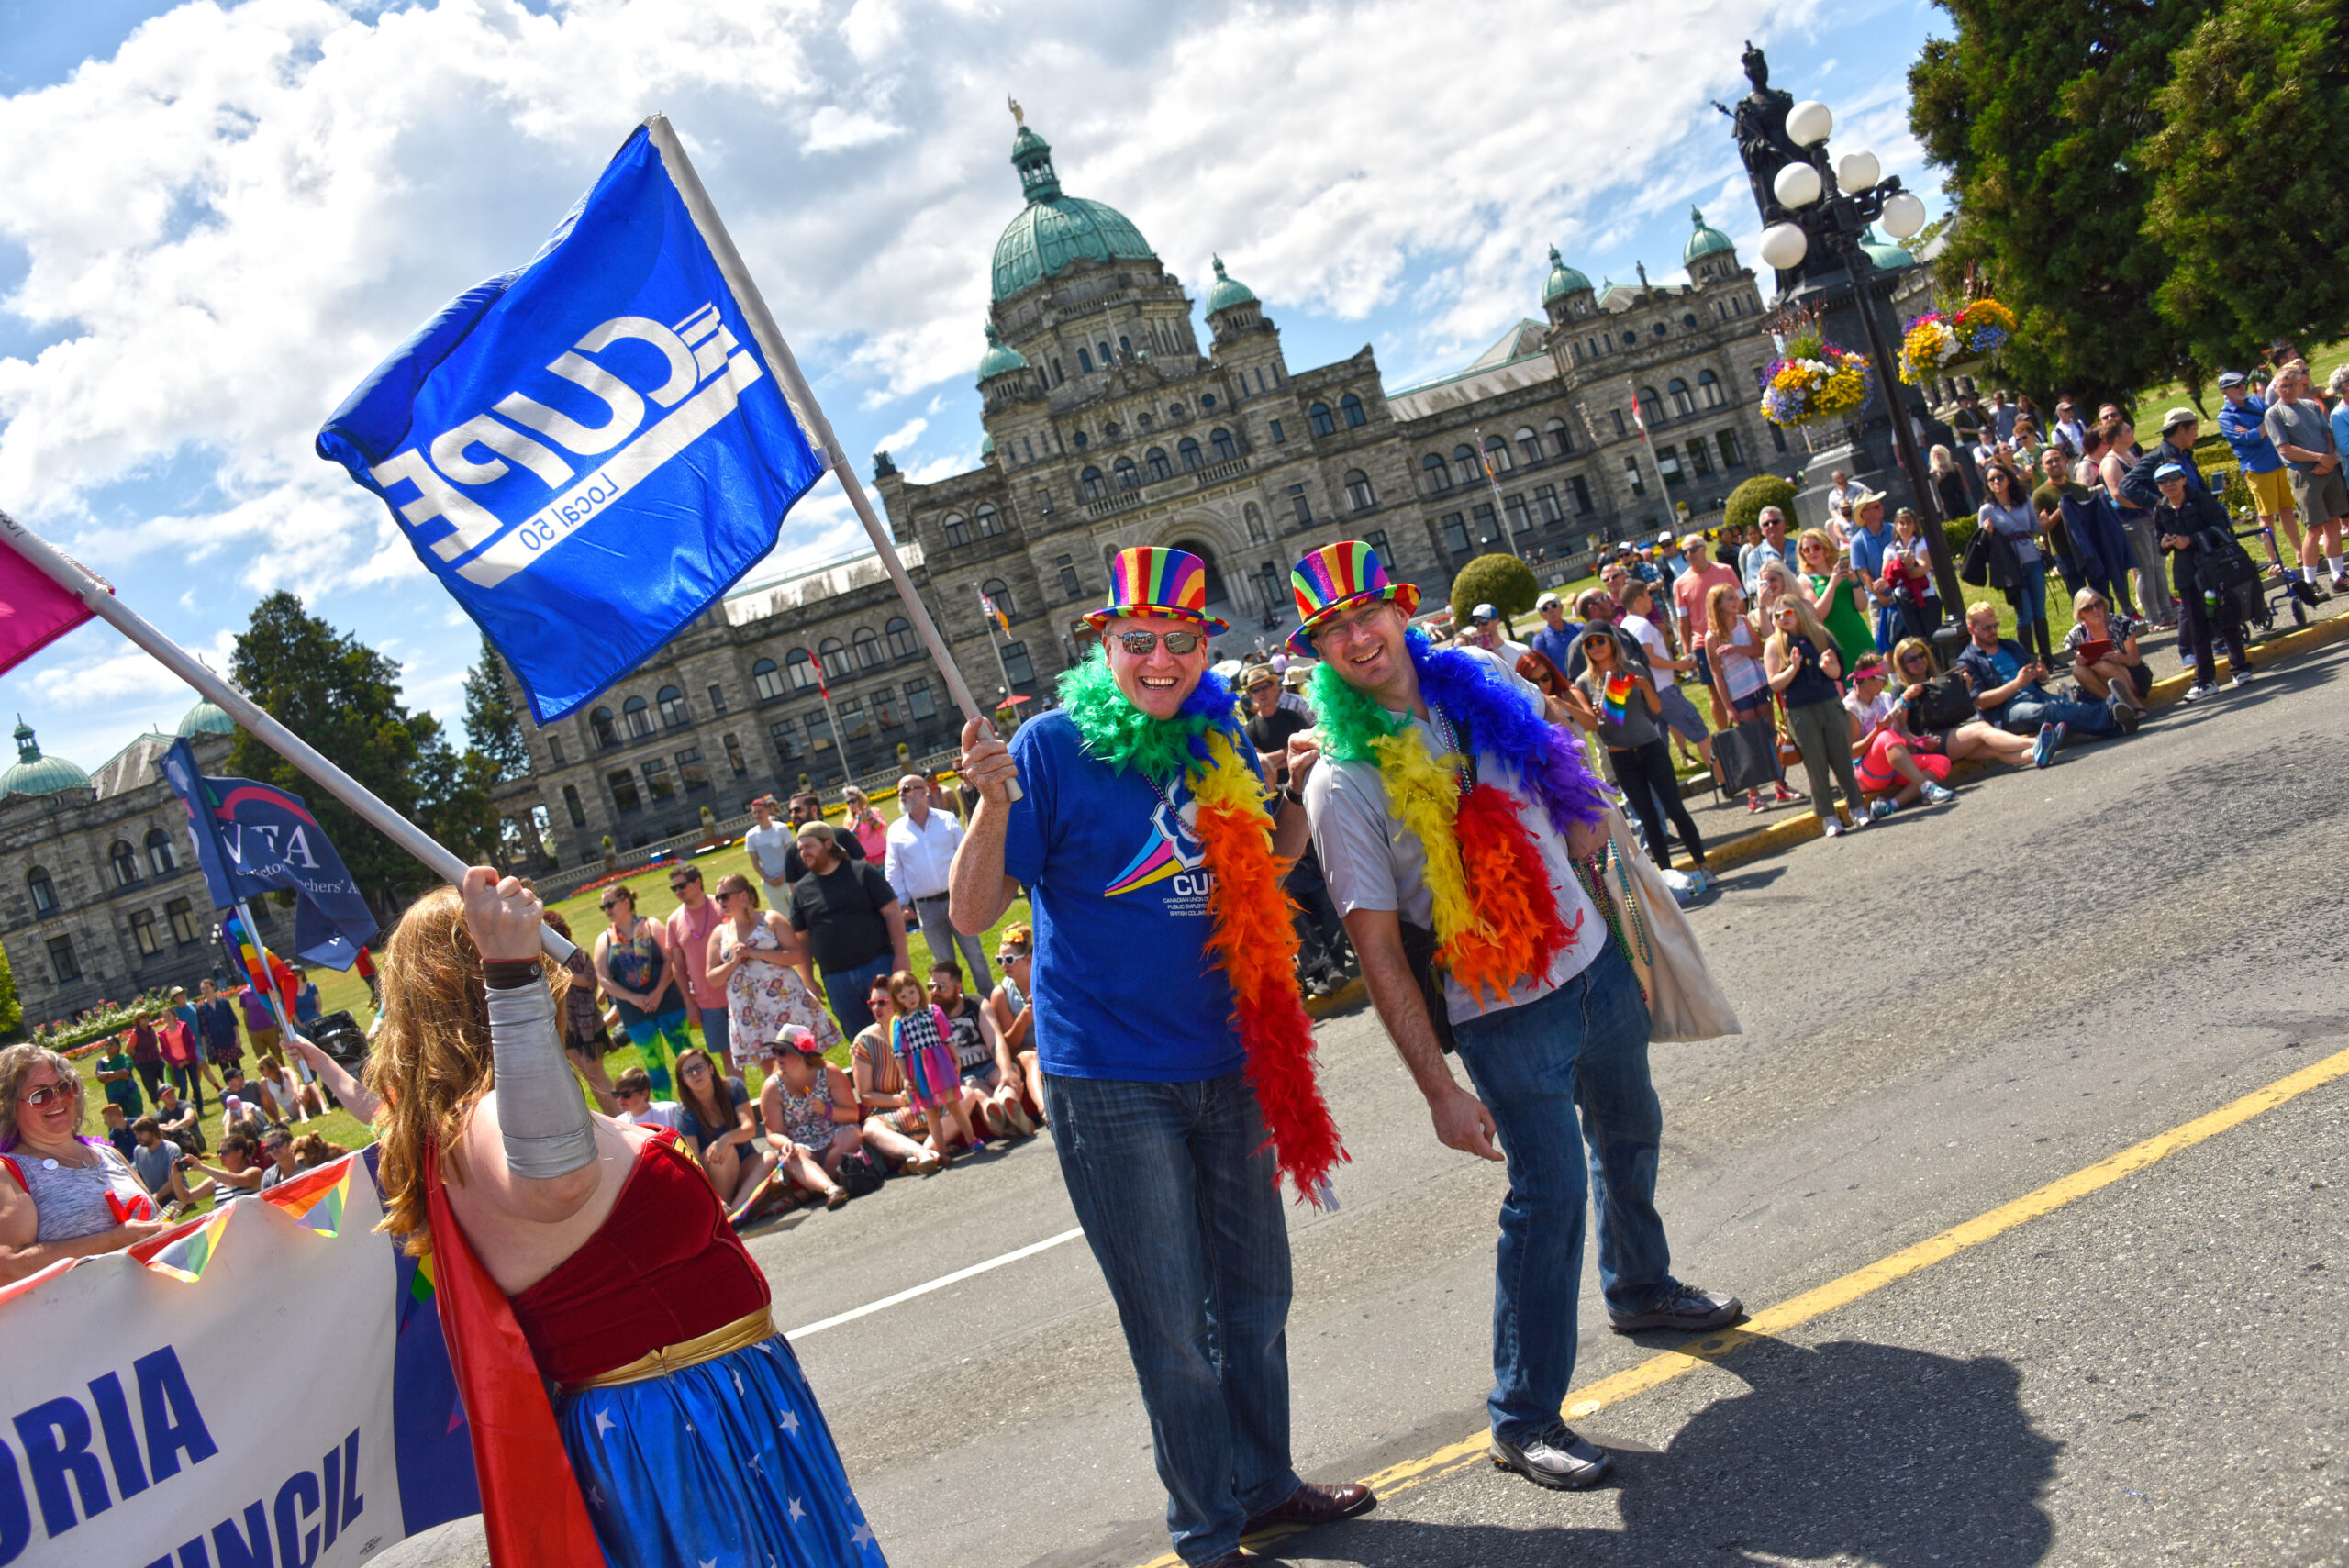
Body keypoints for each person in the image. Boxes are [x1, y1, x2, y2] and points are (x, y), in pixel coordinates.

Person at [1286, 539, 1738, 1495]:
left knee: (1632, 1127)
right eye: (1332, 629)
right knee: (1548, 1197)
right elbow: (1373, 947)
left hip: (1590, 959)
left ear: (1401, 610)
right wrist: (1439, 1090)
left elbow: (1557, 753)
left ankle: (1640, 1285)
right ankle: (1521, 1415)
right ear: (1316, 652)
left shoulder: (1482, 677)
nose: (1359, 638)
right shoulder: (1341, 781)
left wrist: (1579, 810)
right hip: (1495, 1011)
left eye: (1368, 613)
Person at [951, 544, 1367, 1567]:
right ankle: (1204, 1526)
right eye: (1138, 640)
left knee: (1258, 1292)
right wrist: (991, 802)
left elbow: (1263, 859)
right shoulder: (1047, 747)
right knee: (1173, 1322)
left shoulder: (1216, 725)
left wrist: (1293, 797)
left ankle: (1264, 1482)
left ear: (1202, 648)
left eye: (1181, 642)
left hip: (1230, 1061)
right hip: (1111, 1079)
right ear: (1103, 643)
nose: (1161, 661)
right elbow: (969, 911)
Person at [364, 871, 885, 1568]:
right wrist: (511, 973)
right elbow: (561, 1177)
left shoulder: (476, 1118)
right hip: (678, 1419)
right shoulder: (483, 1119)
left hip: (705, 1402)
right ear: (473, 976)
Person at [0, 1046, 170, 1284]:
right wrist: (111, 1241)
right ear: (8, 1106)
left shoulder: (109, 1154)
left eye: (64, 1087)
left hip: (165, 1303)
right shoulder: (8, 1172)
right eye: (40, 1096)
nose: (57, 1099)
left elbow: (159, 1221)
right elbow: (7, 1266)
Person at [1569, 625, 1711, 884]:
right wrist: (1594, 713)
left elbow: (1655, 710)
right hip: (1621, 757)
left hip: (1650, 746)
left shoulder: (1633, 668)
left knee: (1675, 808)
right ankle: (1667, 877)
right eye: (1589, 644)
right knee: (1648, 819)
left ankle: (1703, 865)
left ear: (1612, 642)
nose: (1596, 647)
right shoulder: (1584, 682)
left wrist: (1645, 688)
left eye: (1600, 640)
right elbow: (1591, 725)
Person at [1954, 602, 2120, 763]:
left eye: (1995, 625)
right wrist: (2017, 684)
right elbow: (1980, 701)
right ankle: (2110, 716)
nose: (1993, 631)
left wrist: (2041, 676)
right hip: (2007, 710)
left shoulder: (2010, 646)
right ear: (1971, 629)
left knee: (2066, 704)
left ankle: (2111, 714)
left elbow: (2037, 679)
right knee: (2051, 710)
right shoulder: (1968, 660)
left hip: (2035, 695)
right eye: (1987, 628)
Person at [789, 822, 910, 1039]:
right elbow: (802, 940)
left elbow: (892, 913)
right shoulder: (800, 890)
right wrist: (808, 979)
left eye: (808, 846)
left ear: (828, 844)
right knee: (862, 1039)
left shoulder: (862, 872)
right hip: (836, 979)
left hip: (878, 965)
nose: (803, 853)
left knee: (899, 1028)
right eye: (800, 849)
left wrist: (901, 956)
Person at [705, 872, 836, 1069]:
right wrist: (733, 962)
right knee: (769, 1067)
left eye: (725, 896)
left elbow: (796, 955)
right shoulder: (719, 933)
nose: (720, 901)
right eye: (717, 897)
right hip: (749, 1014)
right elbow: (712, 978)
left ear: (743, 896)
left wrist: (757, 953)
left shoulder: (771, 920)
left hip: (783, 1006)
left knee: (805, 1061)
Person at [1765, 595, 1868, 837]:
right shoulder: (1774, 645)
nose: (1783, 620)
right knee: (1816, 767)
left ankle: (1857, 809)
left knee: (1843, 760)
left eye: (1788, 614)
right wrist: (1793, 668)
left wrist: (1826, 665)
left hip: (1829, 703)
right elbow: (1774, 684)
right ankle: (1829, 817)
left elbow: (1837, 673)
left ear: (1798, 612)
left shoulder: (1819, 634)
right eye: (1778, 616)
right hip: (1801, 711)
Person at [2154, 461, 2253, 699]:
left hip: (2213, 569)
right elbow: (2159, 541)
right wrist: (2165, 544)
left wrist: (2192, 539)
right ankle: (2206, 680)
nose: (2169, 485)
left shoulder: (2202, 500)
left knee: (2224, 617)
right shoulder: (2161, 509)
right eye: (2163, 481)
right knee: (2197, 627)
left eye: (2174, 478)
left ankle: (2239, 667)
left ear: (2184, 479)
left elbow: (2220, 530)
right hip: (2186, 574)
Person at [883, 774, 990, 993]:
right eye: (899, 791)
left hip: (958, 900)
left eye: (907, 789)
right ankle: (954, 1008)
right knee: (943, 964)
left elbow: (966, 856)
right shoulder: (895, 831)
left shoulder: (947, 820)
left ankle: (990, 1001)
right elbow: (893, 871)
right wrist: (903, 903)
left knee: (975, 955)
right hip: (925, 907)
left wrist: (971, 890)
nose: (901, 795)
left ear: (924, 792)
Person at [1706, 580, 1798, 812]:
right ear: (1717, 605)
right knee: (1749, 741)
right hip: (1738, 692)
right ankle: (1754, 794)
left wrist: (1737, 650)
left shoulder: (1743, 621)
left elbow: (1759, 649)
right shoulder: (1712, 637)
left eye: (1734, 597)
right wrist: (1728, 706)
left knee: (1769, 735)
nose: (1735, 601)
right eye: (1729, 598)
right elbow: (1716, 674)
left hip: (1758, 683)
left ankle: (1780, 784)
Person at [594, 883, 690, 1094]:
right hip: (634, 1012)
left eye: (610, 904)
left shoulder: (652, 926)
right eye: (604, 907)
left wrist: (658, 992)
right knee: (654, 1066)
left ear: (626, 902)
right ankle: (666, 1113)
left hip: (668, 1003)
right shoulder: (604, 939)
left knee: (687, 1058)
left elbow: (669, 959)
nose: (607, 910)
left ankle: (700, 1105)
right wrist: (632, 998)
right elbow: (604, 977)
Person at [847, 978, 948, 1174]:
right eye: (872, 1003)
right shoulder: (864, 1041)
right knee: (871, 1129)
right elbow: (866, 1095)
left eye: (882, 1002)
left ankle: (925, 1153)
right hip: (891, 1109)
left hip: (927, 1099)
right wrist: (899, 1099)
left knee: (963, 1096)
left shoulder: (919, 1026)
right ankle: (923, 1154)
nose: (876, 1007)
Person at [2263, 361, 2348, 592]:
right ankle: (2310, 582)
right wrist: (2320, 458)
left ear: (2301, 384)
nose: (2288, 389)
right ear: (2277, 388)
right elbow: (2285, 449)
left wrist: (2329, 457)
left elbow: (2327, 433)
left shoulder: (2311, 406)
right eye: (2283, 386)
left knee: (2333, 524)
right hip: (2304, 474)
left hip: (2328, 468)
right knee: (2314, 528)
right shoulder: (2274, 414)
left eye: (2292, 384)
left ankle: (2338, 575)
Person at [2217, 369, 2306, 581]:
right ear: (2224, 391)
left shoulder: (2255, 402)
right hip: (2257, 468)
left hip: (2277, 461)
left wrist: (2259, 429)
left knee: (2286, 508)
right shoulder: (2225, 416)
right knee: (2266, 515)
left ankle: (2300, 552)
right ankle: (2272, 560)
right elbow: (2249, 439)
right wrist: (2262, 427)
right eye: (2236, 386)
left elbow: (2271, 422)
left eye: (2243, 384)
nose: (2242, 388)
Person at [1616, 580, 1711, 774]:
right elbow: (1648, 658)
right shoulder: (1641, 625)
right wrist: (1679, 665)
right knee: (1699, 731)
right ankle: (1725, 779)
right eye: (1648, 595)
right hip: (1663, 692)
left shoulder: (1625, 625)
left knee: (1658, 746)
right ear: (1639, 599)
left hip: (1650, 693)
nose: (1651, 600)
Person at [1841, 655, 1956, 817]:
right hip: (1866, 774)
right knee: (1884, 735)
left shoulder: (1884, 699)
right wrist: (1877, 731)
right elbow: (1850, 752)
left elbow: (1899, 732)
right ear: (1868, 680)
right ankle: (1927, 788)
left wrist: (1918, 742)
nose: (1887, 683)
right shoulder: (1850, 708)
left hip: (1893, 766)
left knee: (1941, 762)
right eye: (1883, 678)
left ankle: (1892, 804)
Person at [931, 961, 1036, 1138]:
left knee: (1007, 1079)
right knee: (978, 1093)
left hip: (990, 1066)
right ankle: (998, 1113)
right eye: (931, 986)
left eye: (941, 987)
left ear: (958, 988)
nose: (935, 992)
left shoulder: (976, 1004)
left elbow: (995, 1040)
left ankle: (1008, 1106)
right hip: (964, 1076)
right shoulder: (931, 1017)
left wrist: (1005, 1070)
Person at [756, 1031, 859, 1207]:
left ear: (802, 1052)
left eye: (783, 1052)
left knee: (852, 1135)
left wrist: (826, 1110)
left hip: (834, 1132)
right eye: (775, 1051)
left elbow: (852, 1114)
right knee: (789, 1156)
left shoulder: (828, 1072)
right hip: (800, 1143)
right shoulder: (772, 1087)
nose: (777, 1057)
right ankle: (831, 1188)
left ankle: (809, 1191)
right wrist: (785, 1143)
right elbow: (773, 1133)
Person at [2099, 412, 2177, 625]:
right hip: (2132, 522)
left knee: (2159, 566)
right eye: (2127, 430)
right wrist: (2147, 504)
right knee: (2146, 569)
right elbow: (2117, 495)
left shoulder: (2131, 455)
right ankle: (2154, 618)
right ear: (2117, 437)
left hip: (2149, 517)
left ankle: (2167, 611)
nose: (2132, 432)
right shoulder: (2111, 462)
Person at [1978, 465, 2054, 667]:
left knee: (2040, 610)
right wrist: (1989, 532)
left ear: (2009, 478)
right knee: (2025, 613)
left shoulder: (2023, 500)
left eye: (1999, 477)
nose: (1996, 482)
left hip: (2032, 558)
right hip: (2010, 566)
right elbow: (1982, 543)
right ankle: (2028, 660)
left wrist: (2044, 521)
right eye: (1991, 480)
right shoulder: (1987, 510)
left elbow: (2034, 527)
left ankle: (2048, 658)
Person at [544, 907, 618, 1115]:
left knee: (596, 1075)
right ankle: (609, 1118)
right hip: (567, 1027)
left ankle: (619, 1116)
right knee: (585, 1077)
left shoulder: (575, 953)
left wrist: (561, 976)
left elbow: (590, 980)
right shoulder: (544, 960)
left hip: (588, 1023)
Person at [663, 863, 730, 1065]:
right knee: (728, 1058)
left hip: (738, 993)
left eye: (682, 886)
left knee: (762, 1051)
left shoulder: (721, 907)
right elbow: (678, 967)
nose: (678, 892)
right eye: (673, 888)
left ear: (697, 882)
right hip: (707, 1002)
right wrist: (689, 1003)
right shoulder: (674, 920)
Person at [1671, 534, 1741, 726]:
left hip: (1733, 636)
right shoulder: (1680, 584)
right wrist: (1686, 650)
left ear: (1704, 549)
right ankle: (1725, 733)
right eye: (1685, 552)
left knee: (1740, 685)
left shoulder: (1725, 571)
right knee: (1715, 693)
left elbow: (1741, 602)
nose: (1689, 554)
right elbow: (1683, 620)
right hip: (1703, 643)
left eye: (1693, 549)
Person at [985, 926, 1046, 1126]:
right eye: (1000, 960)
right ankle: (1044, 1110)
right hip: (1025, 1051)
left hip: (1053, 1042)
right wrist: (1022, 1020)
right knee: (1032, 1057)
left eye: (1009, 960)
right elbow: (1009, 1045)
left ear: (1028, 959)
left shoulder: (1047, 979)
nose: (1004, 965)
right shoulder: (1001, 993)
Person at [1793, 526, 1876, 671]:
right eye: (1806, 550)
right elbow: (1817, 615)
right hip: (1835, 640)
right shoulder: (1805, 580)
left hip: (1858, 632)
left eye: (1816, 547)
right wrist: (1832, 584)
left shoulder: (1839, 571)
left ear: (1825, 548)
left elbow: (1862, 606)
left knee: (1875, 676)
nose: (1812, 552)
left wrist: (1854, 581)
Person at [2061, 587, 2153, 717]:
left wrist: (2122, 658)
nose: (2095, 610)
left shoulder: (2122, 624)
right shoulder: (2077, 634)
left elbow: (2135, 660)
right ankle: (2116, 704)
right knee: (2078, 670)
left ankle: (2135, 704)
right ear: (2081, 614)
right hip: (2102, 682)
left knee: (2101, 665)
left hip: (2133, 676)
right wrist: (2081, 660)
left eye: (2098, 605)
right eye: (2088, 608)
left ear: (2104, 605)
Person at [742, 793, 795, 901]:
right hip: (770, 884)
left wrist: (784, 875)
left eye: (760, 811)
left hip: (789, 879)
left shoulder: (781, 828)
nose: (758, 815)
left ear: (767, 810)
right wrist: (767, 879)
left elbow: (792, 854)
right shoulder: (751, 836)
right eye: (755, 813)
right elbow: (755, 863)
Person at [195, 976, 243, 1082]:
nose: (205, 991)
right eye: (203, 989)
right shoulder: (201, 1008)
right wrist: (205, 1047)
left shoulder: (224, 1002)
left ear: (213, 987)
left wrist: (237, 1038)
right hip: (216, 1043)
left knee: (236, 1066)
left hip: (229, 1038)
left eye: (207, 988)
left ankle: (242, 1085)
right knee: (225, 1069)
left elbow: (233, 1021)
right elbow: (202, 1030)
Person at [609, 1065, 682, 1131]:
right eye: (616, 1094)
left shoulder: (669, 1111)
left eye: (626, 1095)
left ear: (644, 1093)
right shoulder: (618, 1125)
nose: (620, 1099)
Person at [1742, 506, 1795, 595]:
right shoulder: (1755, 557)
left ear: (1784, 524)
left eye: (1775, 522)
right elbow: (1752, 587)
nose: (1771, 526)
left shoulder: (1799, 548)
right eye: (1766, 524)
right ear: (1761, 530)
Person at [1527, 591, 1579, 673]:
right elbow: (1545, 669)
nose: (1550, 610)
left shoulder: (1579, 629)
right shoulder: (1540, 640)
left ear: (1561, 608)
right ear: (1541, 615)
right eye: (1545, 609)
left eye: (1554, 606)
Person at [95, 1034, 143, 1121]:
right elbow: (100, 1077)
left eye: (111, 1044)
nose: (108, 1047)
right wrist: (118, 1075)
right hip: (114, 1096)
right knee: (120, 1120)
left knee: (138, 1119)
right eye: (106, 1045)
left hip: (130, 1094)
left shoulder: (125, 1058)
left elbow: (125, 1073)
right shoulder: (101, 1062)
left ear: (118, 1046)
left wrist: (108, 1076)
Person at [840, 785, 890, 862]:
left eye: (853, 801)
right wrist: (858, 821)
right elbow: (851, 838)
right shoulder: (848, 820)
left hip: (884, 853)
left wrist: (869, 817)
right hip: (866, 859)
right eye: (848, 802)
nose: (851, 804)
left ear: (860, 800)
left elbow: (881, 827)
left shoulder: (875, 811)